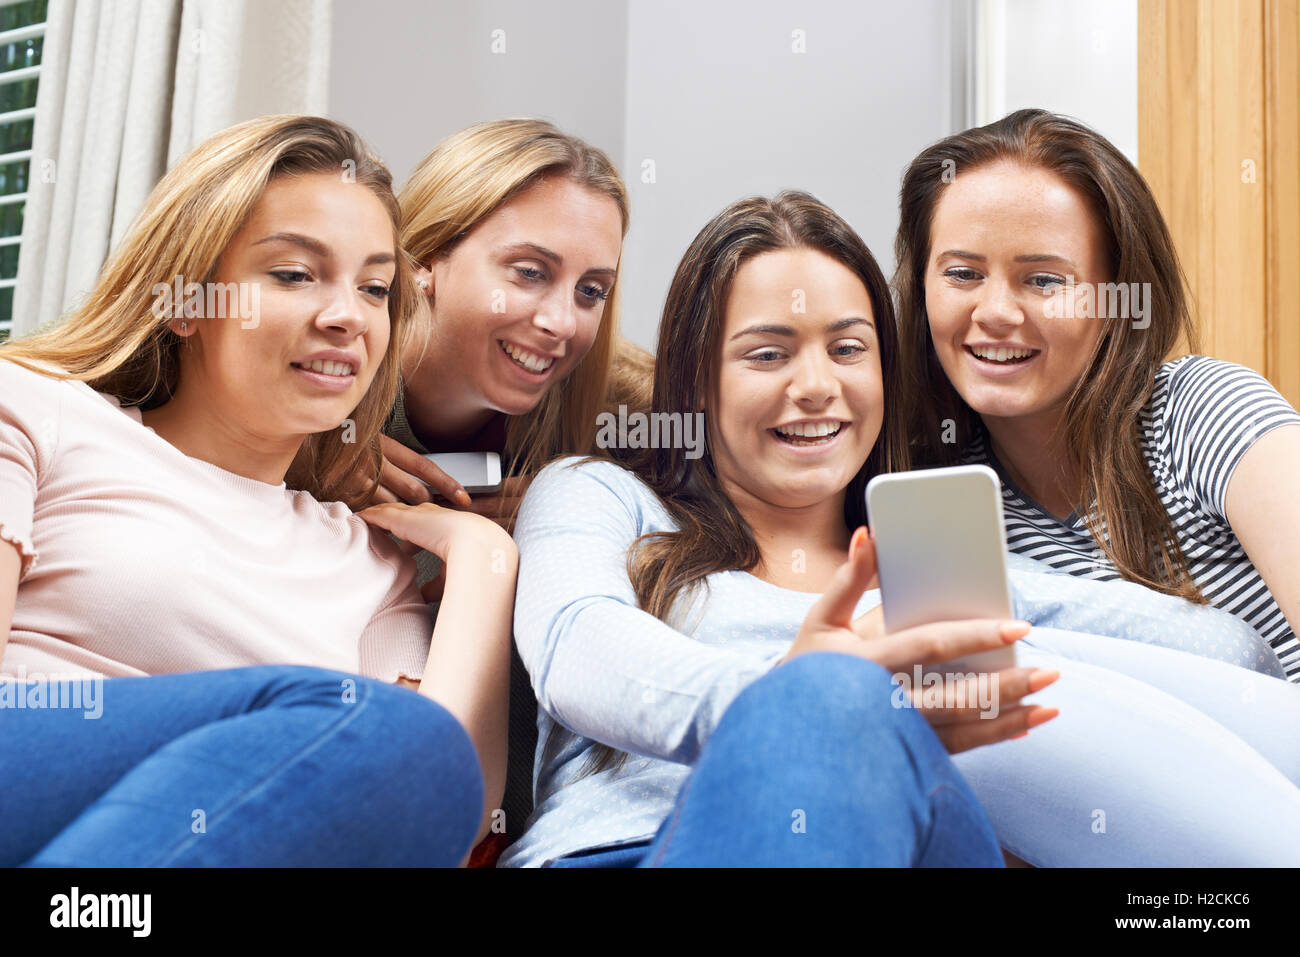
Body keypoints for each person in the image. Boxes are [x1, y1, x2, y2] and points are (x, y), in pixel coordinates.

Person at [501, 190, 1300, 868]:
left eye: (849, 348)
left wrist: (957, 633)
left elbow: (1231, 660)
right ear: (696, 382)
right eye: (768, 354)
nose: (817, 386)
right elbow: (579, 648)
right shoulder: (603, 494)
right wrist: (807, 694)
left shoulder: (926, 554)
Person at [0, 115, 515, 866]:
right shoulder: (37, 408)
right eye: (294, 274)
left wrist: (484, 555)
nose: (347, 317)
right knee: (366, 725)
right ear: (183, 301)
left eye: (374, 288)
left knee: (406, 750)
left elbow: (447, 807)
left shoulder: (370, 562)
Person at [895, 108, 1300, 681]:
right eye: (963, 274)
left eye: (1044, 280)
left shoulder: (1203, 411)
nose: (995, 314)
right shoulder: (928, 489)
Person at [368, 119, 650, 538]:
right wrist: (306, 456)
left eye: (591, 291)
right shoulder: (328, 377)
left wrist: (594, 512)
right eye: (530, 273)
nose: (562, 323)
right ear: (423, 260)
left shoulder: (626, 409)